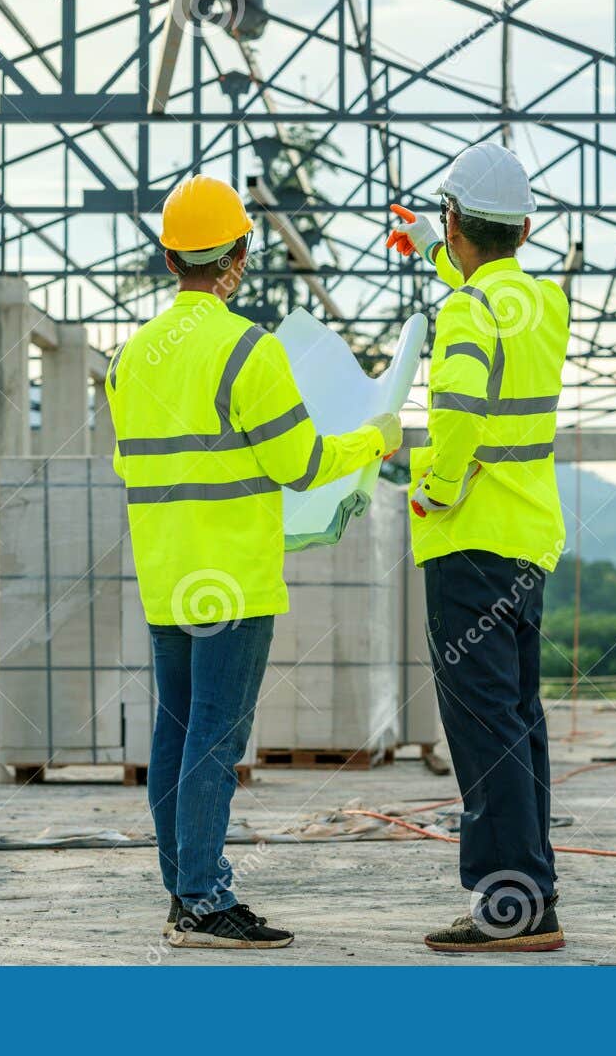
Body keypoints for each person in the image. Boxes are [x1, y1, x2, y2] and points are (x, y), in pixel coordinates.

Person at [107, 175, 402, 949]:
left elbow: (137, 464)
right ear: (237, 254)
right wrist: (376, 437)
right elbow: (300, 462)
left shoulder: (130, 359)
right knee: (213, 738)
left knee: (176, 732)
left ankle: (185, 892)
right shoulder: (249, 349)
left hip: (169, 577)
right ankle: (202, 900)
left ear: (170, 258)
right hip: (232, 578)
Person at [388, 141, 570, 953]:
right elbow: (491, 286)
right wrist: (437, 244)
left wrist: (433, 486)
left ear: (460, 222)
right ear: (526, 230)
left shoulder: (463, 312)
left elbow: (457, 416)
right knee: (516, 717)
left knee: (483, 726)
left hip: (468, 540)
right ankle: (532, 890)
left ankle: (510, 907)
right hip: (528, 538)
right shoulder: (544, 302)